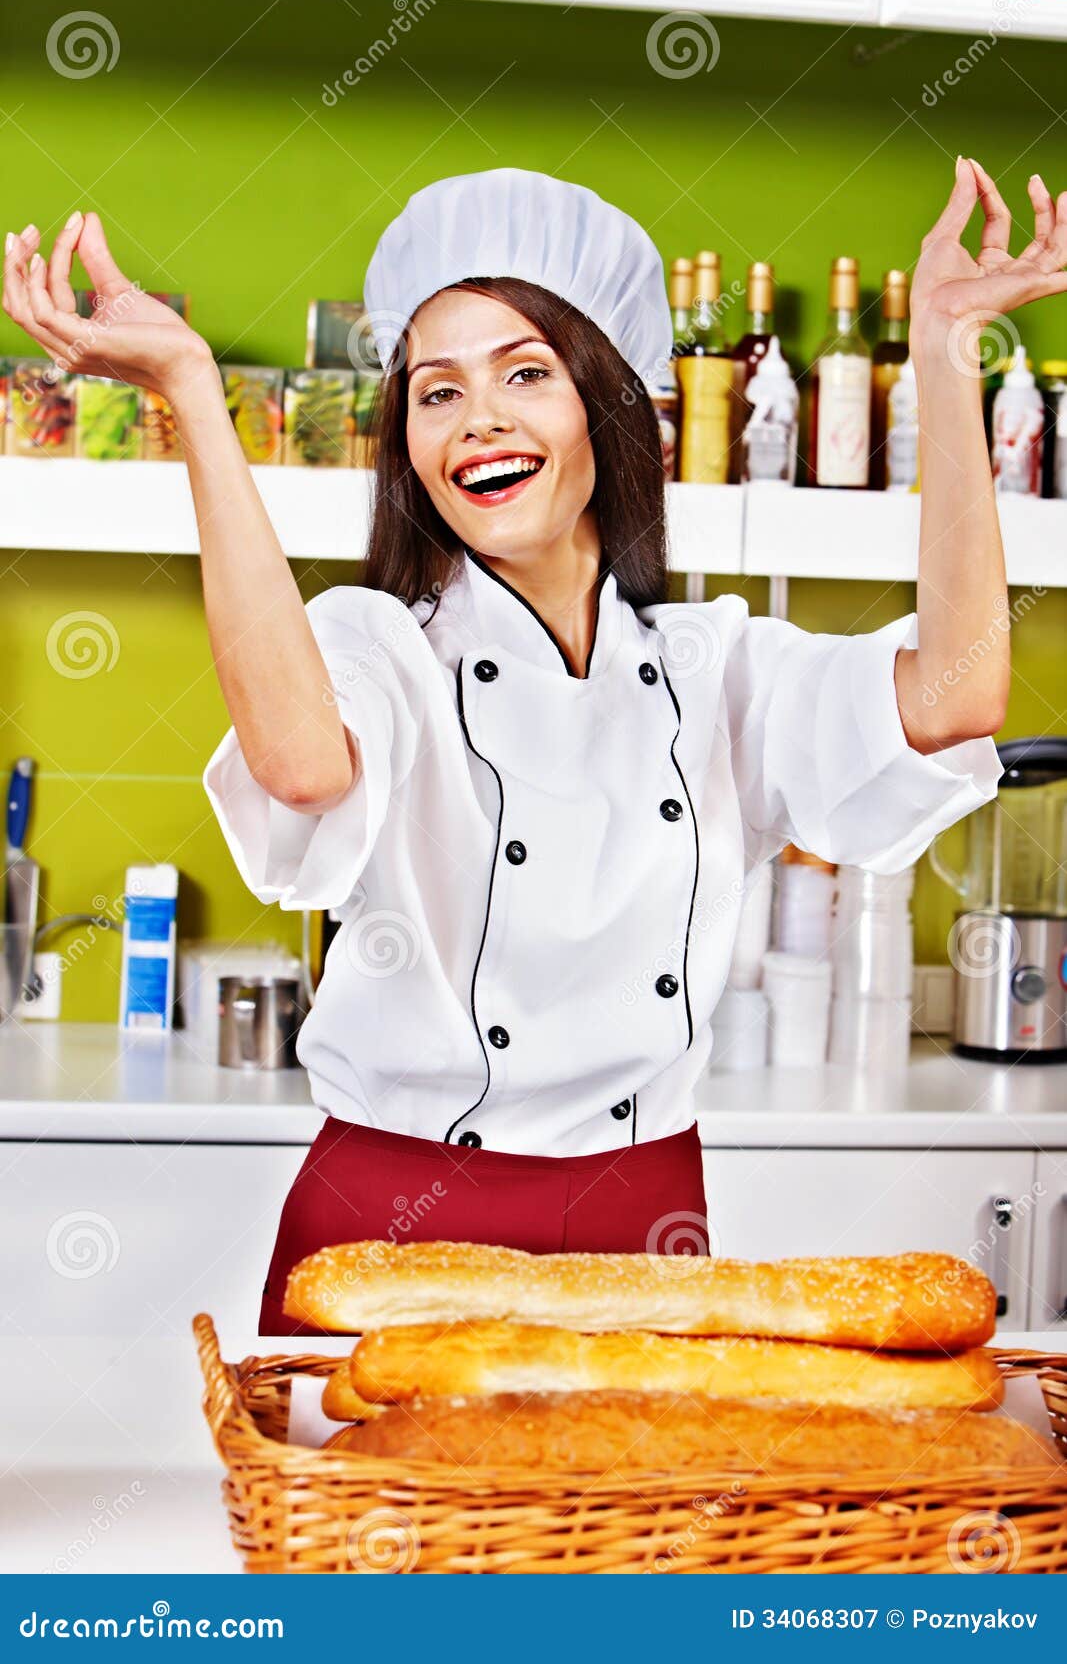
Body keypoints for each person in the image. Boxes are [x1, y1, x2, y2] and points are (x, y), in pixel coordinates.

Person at [4, 159, 1059, 1334]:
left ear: (607, 405)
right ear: (404, 440)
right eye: (435, 392)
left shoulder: (716, 667)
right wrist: (194, 394)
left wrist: (947, 344)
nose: (479, 420)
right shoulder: (375, 643)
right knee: (353, 1530)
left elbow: (957, 696)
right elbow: (303, 764)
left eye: (524, 373)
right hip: (394, 1215)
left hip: (640, 1216)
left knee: (613, 1530)